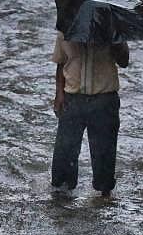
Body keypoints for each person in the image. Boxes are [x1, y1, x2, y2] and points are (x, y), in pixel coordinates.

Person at [51, 31, 129, 198]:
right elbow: (61, 63)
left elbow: (124, 61)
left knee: (104, 153)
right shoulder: (67, 28)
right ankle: (61, 195)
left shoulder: (112, 29)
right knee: (65, 151)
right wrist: (59, 94)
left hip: (104, 99)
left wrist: (114, 41)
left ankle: (104, 196)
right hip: (72, 98)